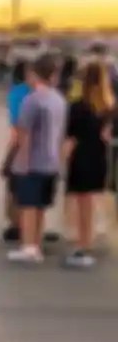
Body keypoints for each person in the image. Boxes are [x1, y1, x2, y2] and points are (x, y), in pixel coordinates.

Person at [8, 55, 68, 264]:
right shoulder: (58, 99)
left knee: (28, 206)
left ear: (35, 73)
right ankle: (37, 243)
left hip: (33, 160)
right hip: (51, 160)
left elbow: (24, 133)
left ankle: (28, 246)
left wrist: (21, 162)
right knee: (41, 205)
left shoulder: (32, 100)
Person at [61, 61, 114, 267]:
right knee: (91, 200)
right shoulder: (108, 106)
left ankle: (82, 243)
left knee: (81, 201)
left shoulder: (78, 106)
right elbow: (108, 135)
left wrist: (62, 159)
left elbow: (71, 137)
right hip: (99, 156)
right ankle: (88, 239)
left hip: (81, 156)